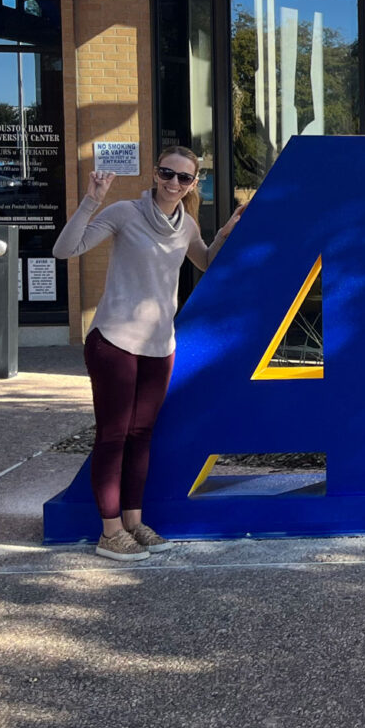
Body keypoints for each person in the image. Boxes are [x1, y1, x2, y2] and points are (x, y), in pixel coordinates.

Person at [53, 146, 244, 561]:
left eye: (184, 178)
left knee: (141, 437)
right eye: (167, 173)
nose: (174, 183)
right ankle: (110, 532)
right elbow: (65, 250)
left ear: (194, 183)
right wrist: (92, 200)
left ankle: (134, 523)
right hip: (114, 342)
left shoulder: (186, 225)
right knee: (113, 437)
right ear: (156, 175)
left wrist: (227, 230)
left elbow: (206, 262)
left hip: (159, 347)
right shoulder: (124, 213)